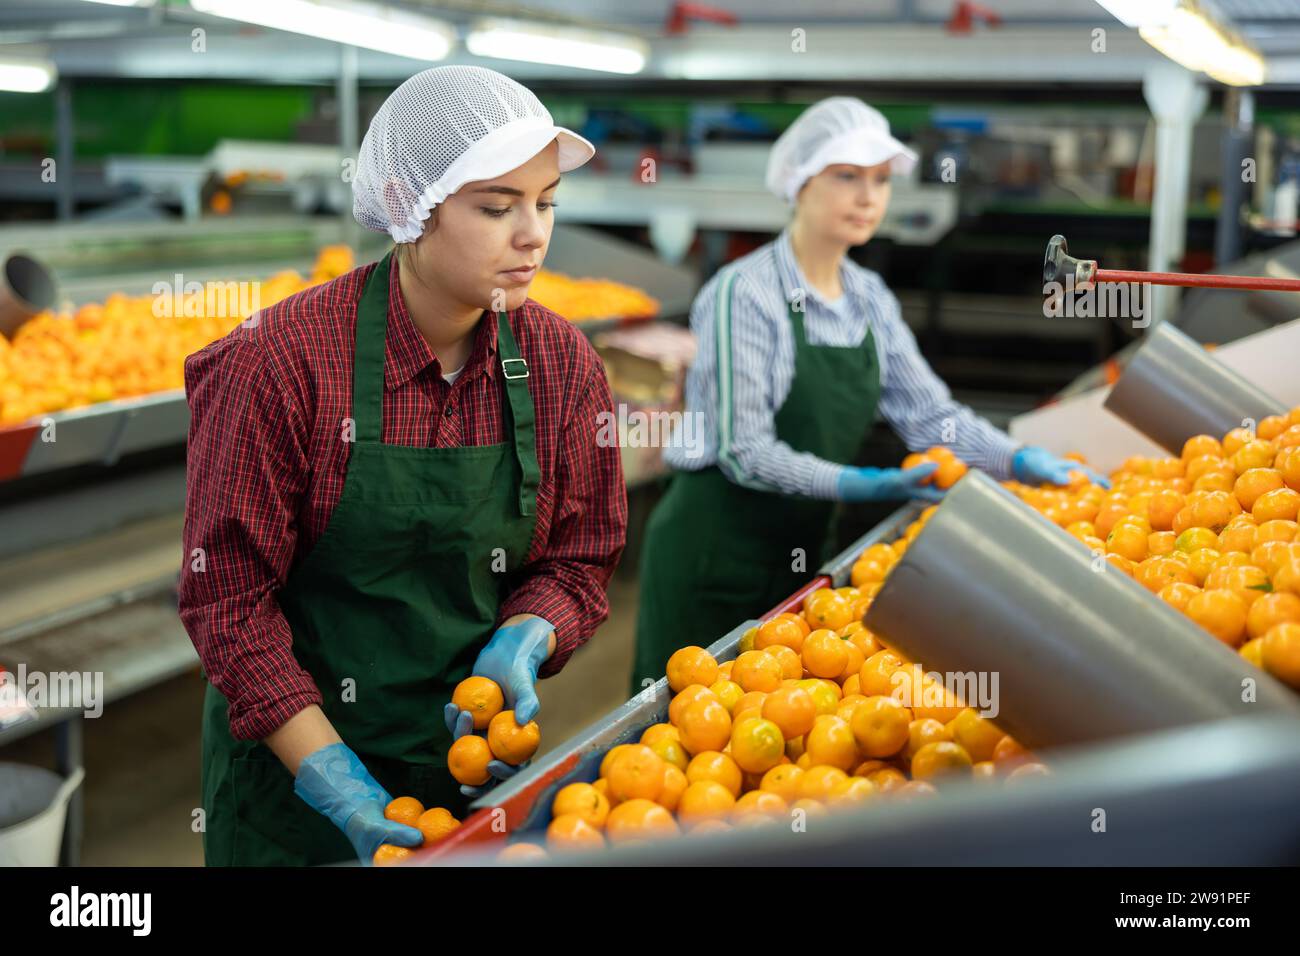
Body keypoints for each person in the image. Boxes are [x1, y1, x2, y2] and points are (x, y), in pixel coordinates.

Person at [179, 66, 627, 866]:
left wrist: (525, 638)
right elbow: (229, 602)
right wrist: (333, 778)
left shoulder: (562, 363)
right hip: (288, 793)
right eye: (496, 207)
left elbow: (578, 556)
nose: (533, 234)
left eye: (547, 200)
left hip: (467, 771)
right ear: (407, 203)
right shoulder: (279, 364)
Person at [632, 97, 1104, 693]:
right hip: (715, 549)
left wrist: (1013, 458)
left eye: (881, 181)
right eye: (847, 176)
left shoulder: (868, 296)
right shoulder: (743, 294)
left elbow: (929, 414)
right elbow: (743, 449)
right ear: (801, 182)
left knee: (783, 712)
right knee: (687, 726)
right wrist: (861, 483)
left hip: (804, 545)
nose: (868, 197)